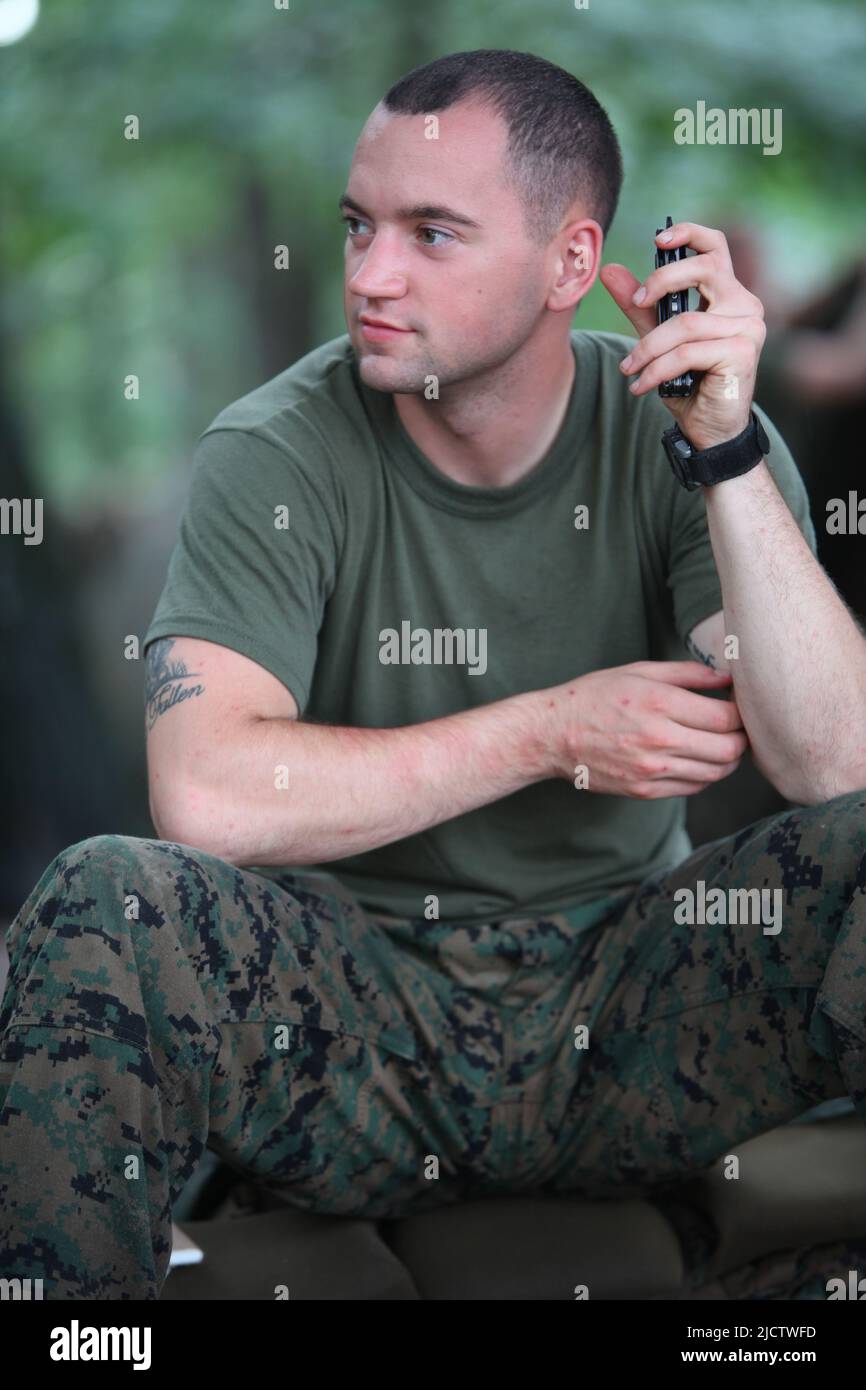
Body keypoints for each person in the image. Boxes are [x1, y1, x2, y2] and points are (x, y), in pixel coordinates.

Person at [2, 48, 865, 1302]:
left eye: (431, 233)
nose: (368, 274)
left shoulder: (680, 436)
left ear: (571, 262)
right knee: (106, 896)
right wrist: (547, 730)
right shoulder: (273, 451)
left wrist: (726, 449)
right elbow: (208, 793)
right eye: (358, 226)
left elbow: (833, 765)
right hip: (357, 1027)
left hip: (623, 1015)